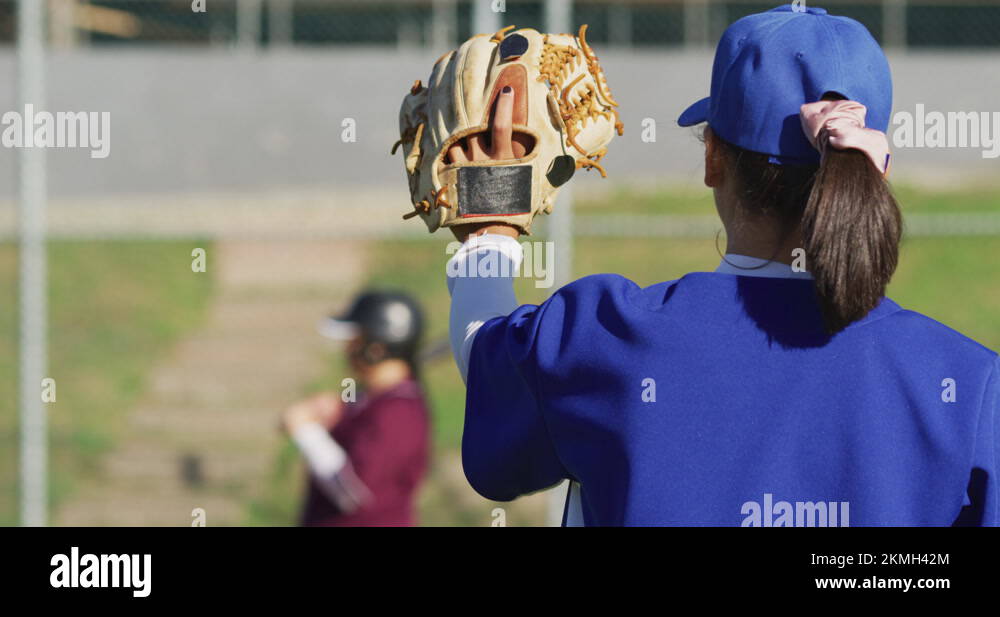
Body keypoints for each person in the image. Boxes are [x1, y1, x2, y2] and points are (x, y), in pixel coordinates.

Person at [445, 5, 999, 526]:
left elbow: (484, 353)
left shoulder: (608, 340)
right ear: (874, 170)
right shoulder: (969, 387)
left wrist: (488, 227)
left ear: (713, 158)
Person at [282, 290, 430, 526]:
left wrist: (305, 430)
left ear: (376, 349)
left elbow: (352, 490)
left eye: (355, 340)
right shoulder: (374, 401)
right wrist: (340, 413)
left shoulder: (398, 413)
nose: (347, 349)